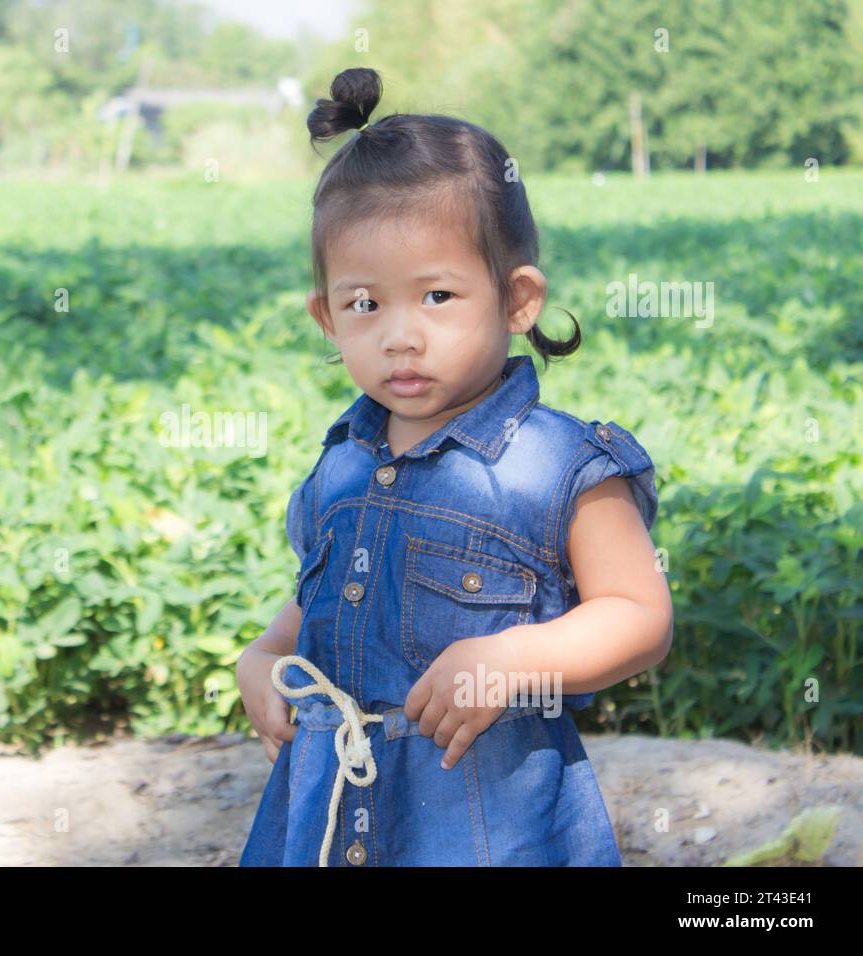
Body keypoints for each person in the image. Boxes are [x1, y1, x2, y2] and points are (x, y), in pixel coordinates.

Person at [236, 67, 673, 866]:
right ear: (327, 317)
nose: (401, 334)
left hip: (488, 829)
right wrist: (265, 658)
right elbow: (329, 602)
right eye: (366, 303)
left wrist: (513, 657)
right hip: (332, 818)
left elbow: (640, 618)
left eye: (437, 296)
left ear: (518, 301)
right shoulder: (340, 465)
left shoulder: (560, 464)